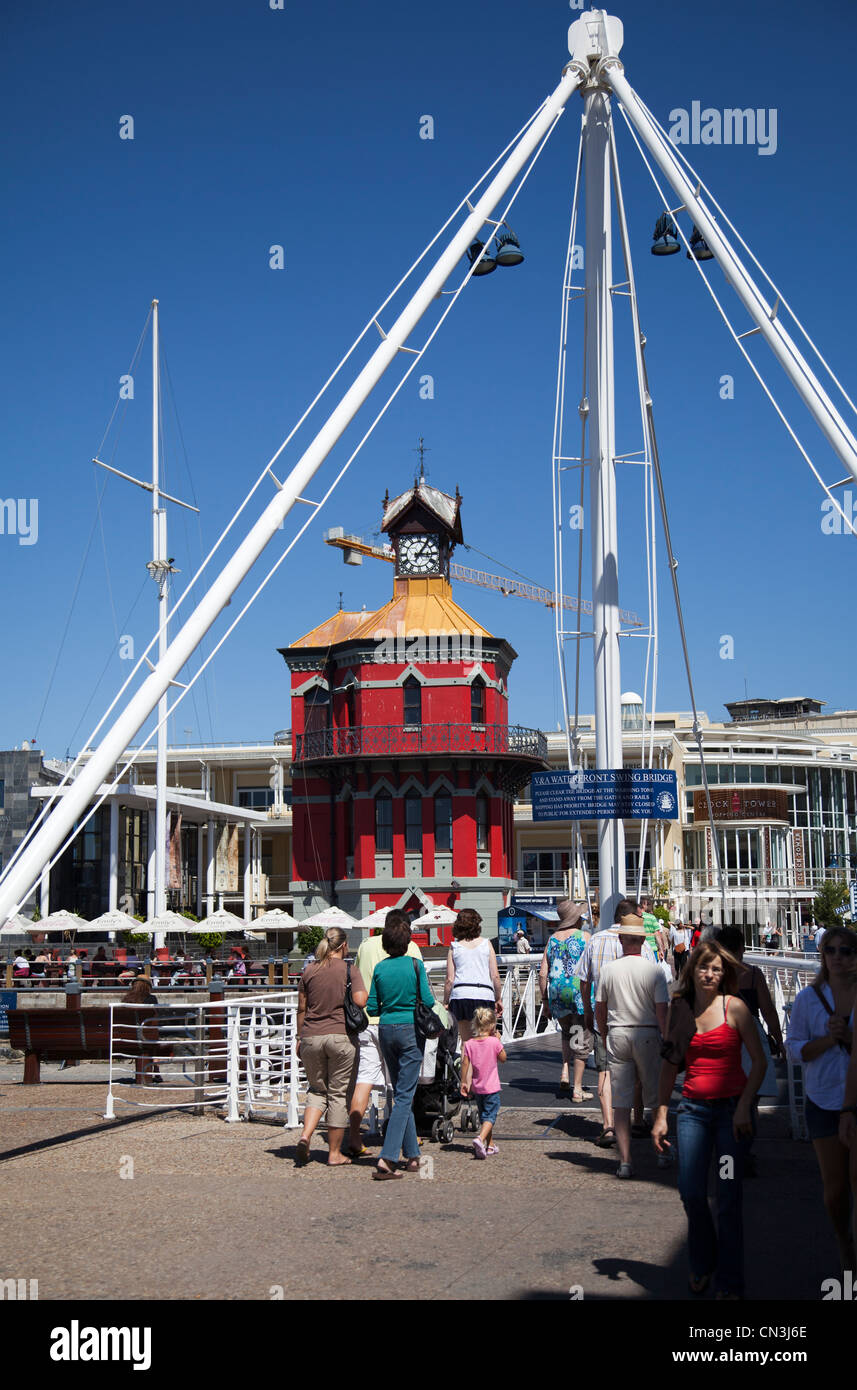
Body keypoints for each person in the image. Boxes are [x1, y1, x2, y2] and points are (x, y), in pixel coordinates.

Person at [654, 940, 767, 1299]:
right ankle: (703, 1260)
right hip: (692, 1112)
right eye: (704, 967)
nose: (710, 974)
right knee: (690, 1191)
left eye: (717, 969)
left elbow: (759, 1062)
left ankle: (730, 1282)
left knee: (729, 1198)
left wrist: (743, 1106)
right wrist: (660, 1114)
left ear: (724, 974)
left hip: (731, 1115)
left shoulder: (734, 1008)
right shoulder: (681, 1007)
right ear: (693, 969)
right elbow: (670, 1063)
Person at [786, 923, 856, 1274]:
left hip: (854, 1101)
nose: (838, 958)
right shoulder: (808, 999)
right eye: (831, 950)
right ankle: (844, 1240)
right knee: (836, 1189)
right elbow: (794, 1049)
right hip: (823, 1098)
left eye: (846, 951)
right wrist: (831, 1039)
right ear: (822, 956)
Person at [595, 914, 670, 1178]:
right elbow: (662, 1012)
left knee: (622, 1104)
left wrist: (603, 1034)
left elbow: (600, 1009)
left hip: (618, 1033)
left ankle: (625, 1162)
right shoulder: (655, 971)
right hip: (647, 1033)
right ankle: (661, 1152)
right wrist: (667, 1039)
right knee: (655, 1098)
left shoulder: (609, 970)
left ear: (620, 940)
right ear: (642, 940)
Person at [578, 898, 655, 1149]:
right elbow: (653, 979)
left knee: (605, 1072)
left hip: (606, 1018)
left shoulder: (595, 940)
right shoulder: (641, 944)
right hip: (636, 1017)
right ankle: (639, 1119)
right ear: (631, 918)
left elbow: (584, 979)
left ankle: (608, 1125)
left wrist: (588, 1011)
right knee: (638, 1074)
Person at [347, 910, 424, 1158]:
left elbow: (358, 980)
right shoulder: (411, 949)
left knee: (365, 1080)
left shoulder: (366, 946)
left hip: (369, 1023)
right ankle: (405, 1138)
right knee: (402, 1086)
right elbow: (423, 991)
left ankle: (355, 1136)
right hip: (404, 1024)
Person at [367, 915, 437, 1179]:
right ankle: (387, 1158)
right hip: (410, 1030)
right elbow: (428, 1000)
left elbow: (372, 1006)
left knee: (400, 1092)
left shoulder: (380, 969)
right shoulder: (415, 965)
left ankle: (413, 1156)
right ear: (407, 942)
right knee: (406, 1095)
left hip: (386, 1029)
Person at [295, 926, 367, 1167]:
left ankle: (305, 1136)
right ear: (344, 946)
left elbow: (302, 1009)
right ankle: (334, 1153)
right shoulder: (349, 969)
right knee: (338, 1094)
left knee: (316, 1091)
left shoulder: (309, 971)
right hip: (340, 1037)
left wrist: (298, 1037)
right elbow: (360, 1001)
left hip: (311, 1038)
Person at [538, 899, 593, 1099]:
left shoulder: (552, 939)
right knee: (581, 1035)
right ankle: (577, 1088)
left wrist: (545, 1000)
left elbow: (543, 973)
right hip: (578, 992)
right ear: (577, 918)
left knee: (566, 1032)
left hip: (557, 992)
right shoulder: (585, 937)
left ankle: (564, 1071)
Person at [443, 909, 503, 1046]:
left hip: (461, 995)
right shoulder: (486, 944)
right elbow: (495, 976)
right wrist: (498, 998)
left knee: (466, 1043)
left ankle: (465, 1068)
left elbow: (449, 980)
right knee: (486, 1041)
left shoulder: (455, 947)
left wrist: (445, 1001)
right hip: (484, 995)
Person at [460, 1006, 506, 1158]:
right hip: (491, 1087)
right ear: (492, 1025)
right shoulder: (494, 1042)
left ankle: (490, 1145)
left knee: (484, 1116)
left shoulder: (470, 1044)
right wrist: (499, 1041)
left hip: (477, 1087)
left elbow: (465, 1064)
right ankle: (480, 1139)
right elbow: (503, 1059)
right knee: (491, 1116)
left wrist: (463, 1082)